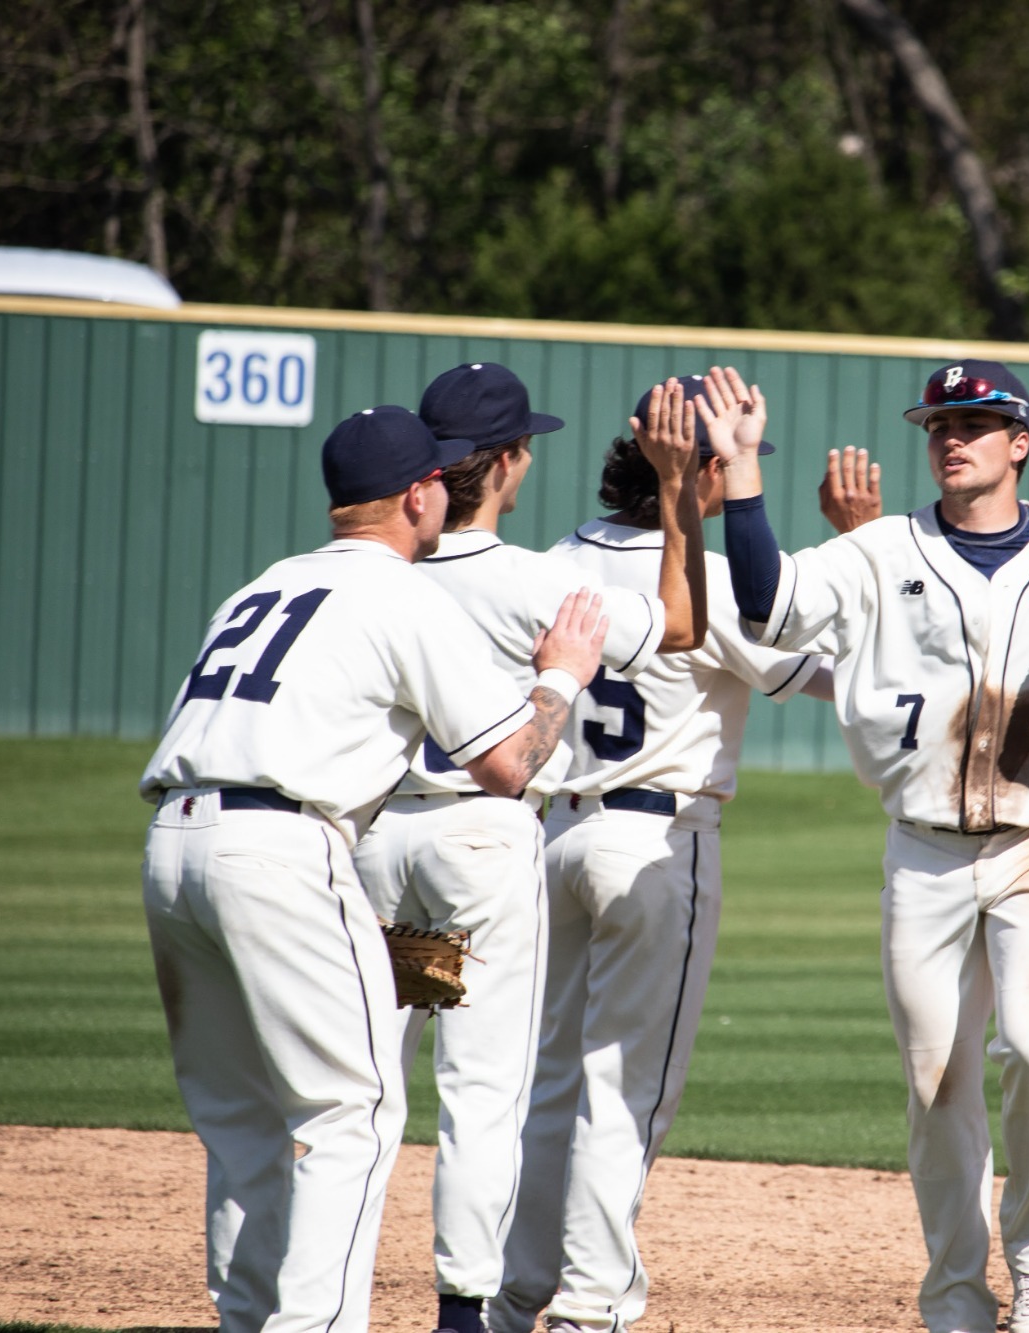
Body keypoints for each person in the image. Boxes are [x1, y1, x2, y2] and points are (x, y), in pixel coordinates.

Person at [138, 404, 608, 1333]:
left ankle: (247, 1317)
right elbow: (510, 765)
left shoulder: (263, 583)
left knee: (244, 1118)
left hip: (173, 845)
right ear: (416, 494)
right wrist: (560, 676)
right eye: (434, 476)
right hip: (279, 847)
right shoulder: (401, 594)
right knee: (350, 1106)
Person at [712, 359, 1029, 1333]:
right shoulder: (876, 550)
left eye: (974, 420)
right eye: (938, 422)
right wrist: (741, 469)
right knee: (936, 1082)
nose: (950, 435)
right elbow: (763, 606)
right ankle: (956, 1291)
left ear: (1018, 442)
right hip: (921, 852)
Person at [349, 365, 706, 1333]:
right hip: (478, 844)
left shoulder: (376, 574)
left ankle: (319, 1301)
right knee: (479, 1092)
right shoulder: (536, 579)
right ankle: (467, 1313)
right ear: (505, 461)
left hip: (377, 843)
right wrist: (677, 492)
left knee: (364, 1088)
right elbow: (678, 625)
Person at [495, 373, 847, 1333]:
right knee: (628, 1087)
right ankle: (593, 1300)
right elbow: (833, 677)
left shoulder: (556, 558)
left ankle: (517, 1289)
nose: (739, 481)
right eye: (729, 465)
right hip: (655, 842)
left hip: (553, 834)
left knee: (550, 1081)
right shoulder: (715, 577)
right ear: (691, 468)